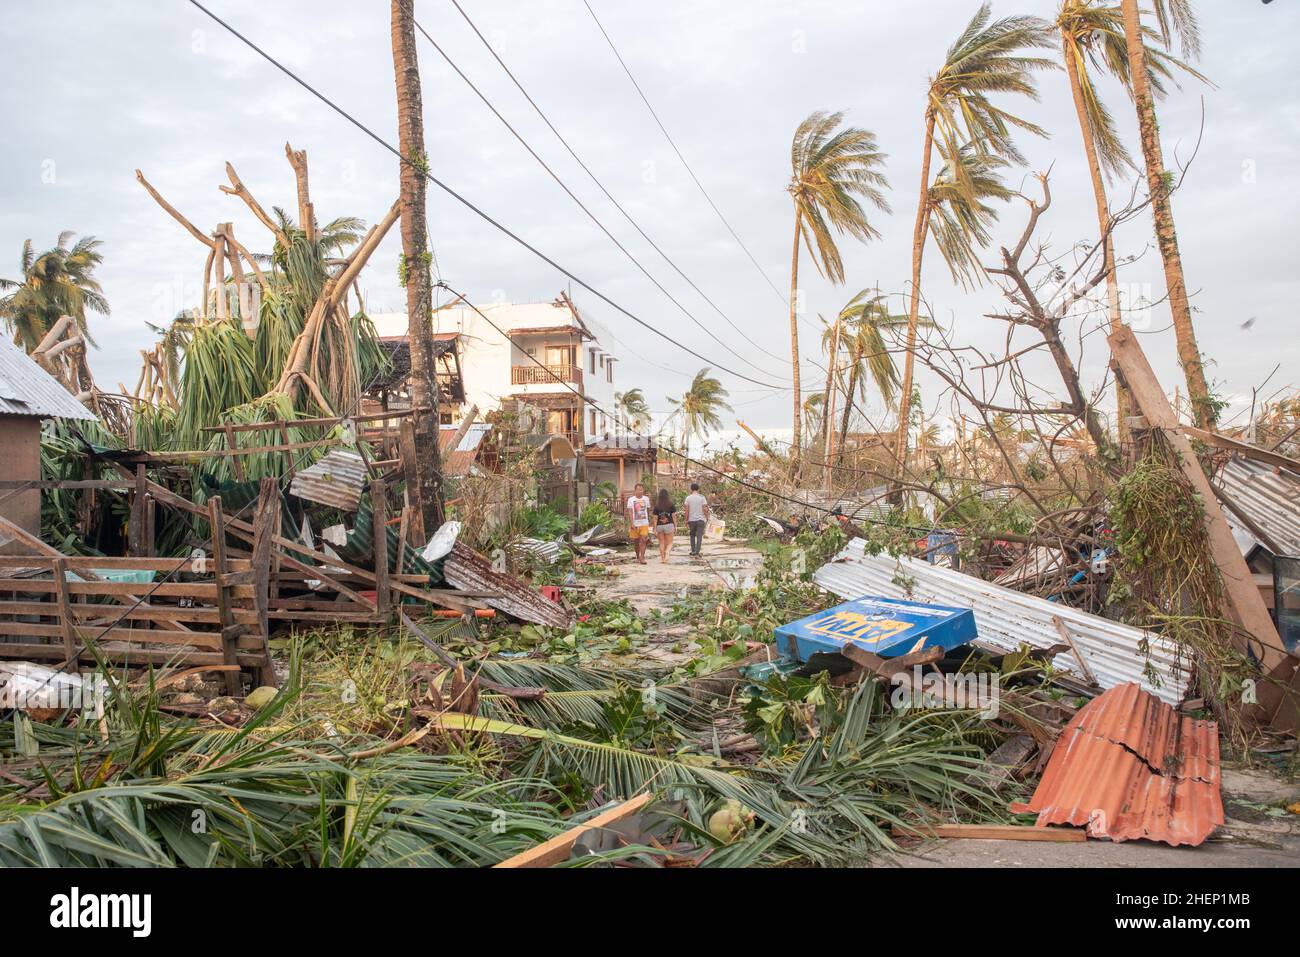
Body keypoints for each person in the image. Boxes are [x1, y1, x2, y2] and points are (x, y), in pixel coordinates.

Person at [625, 482, 652, 565]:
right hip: (635, 524)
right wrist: (632, 523)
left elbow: (647, 510)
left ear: (643, 490)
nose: (640, 491)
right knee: (636, 542)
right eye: (638, 490)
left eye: (641, 490)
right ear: (635, 490)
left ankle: (642, 558)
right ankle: (637, 556)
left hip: (644, 523)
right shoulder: (631, 500)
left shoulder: (646, 499)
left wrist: (649, 520)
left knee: (643, 540)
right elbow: (630, 512)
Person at [683, 482, 711, 557]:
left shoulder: (688, 498)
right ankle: (697, 552)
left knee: (692, 535)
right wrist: (707, 517)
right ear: (698, 489)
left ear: (691, 489)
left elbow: (686, 510)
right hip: (700, 520)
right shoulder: (702, 497)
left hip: (691, 520)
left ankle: (693, 550)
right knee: (699, 536)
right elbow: (705, 509)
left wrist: (686, 520)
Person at [652, 488, 678, 564]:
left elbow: (655, 518)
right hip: (669, 525)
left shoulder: (657, 506)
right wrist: (675, 526)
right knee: (670, 543)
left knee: (661, 543)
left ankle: (663, 559)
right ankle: (667, 552)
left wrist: (654, 528)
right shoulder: (671, 504)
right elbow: (674, 516)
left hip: (659, 526)